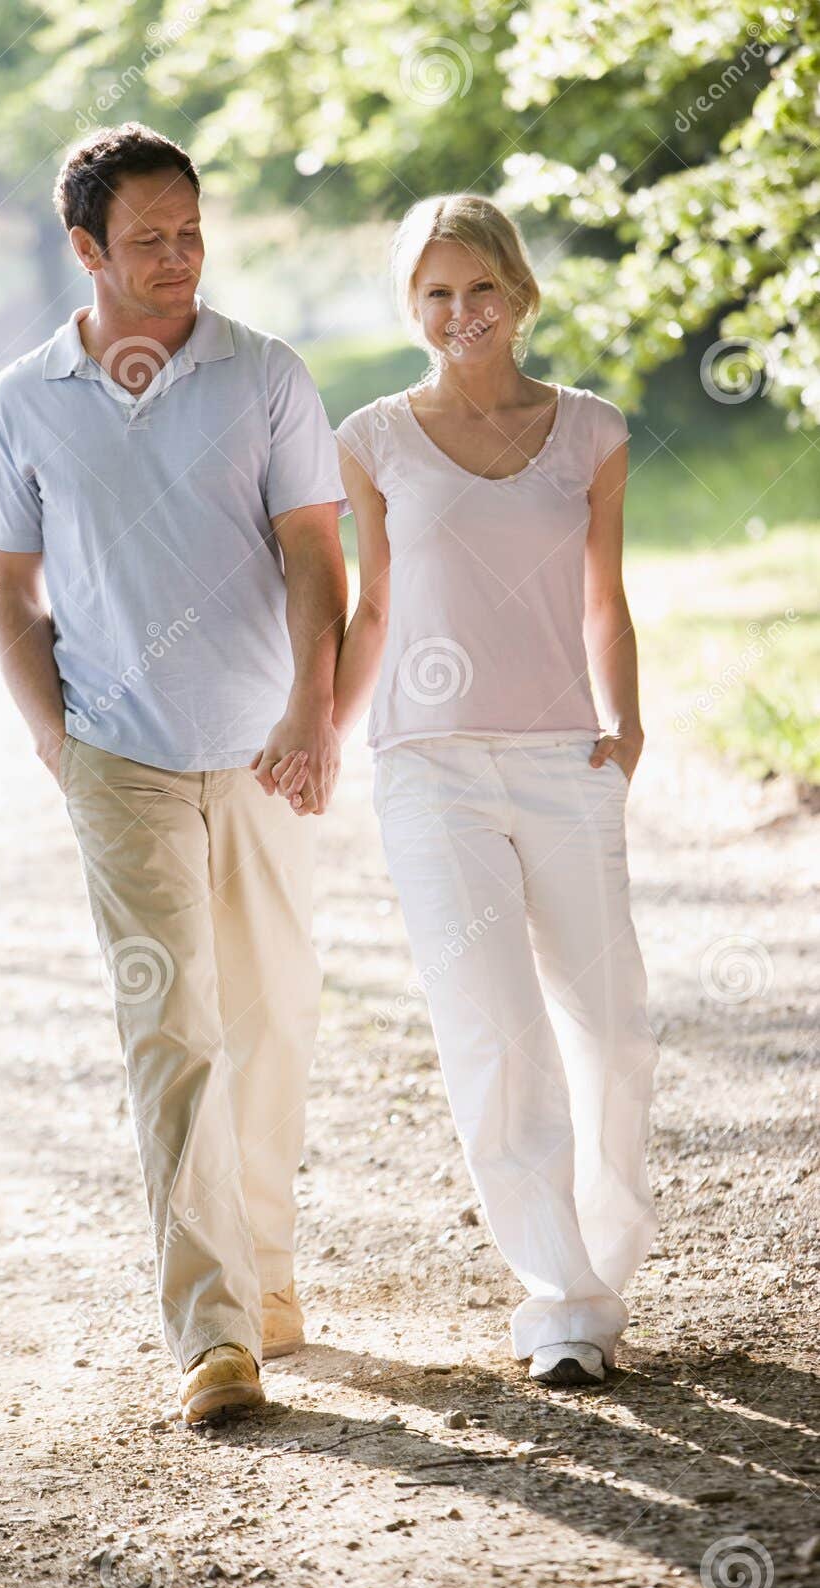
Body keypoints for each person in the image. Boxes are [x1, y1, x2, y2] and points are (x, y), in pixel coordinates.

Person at [0, 123, 348, 1424]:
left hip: (260, 754)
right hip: (118, 759)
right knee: (172, 1038)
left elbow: (312, 551)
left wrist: (312, 708)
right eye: (148, 241)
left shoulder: (263, 376)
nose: (178, 256)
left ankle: (267, 1277)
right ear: (85, 251)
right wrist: (56, 746)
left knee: (269, 1021)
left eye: (190, 232)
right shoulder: (24, 400)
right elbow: (11, 594)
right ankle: (214, 1333)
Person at [322, 192, 660, 1387]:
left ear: (516, 292)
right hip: (428, 770)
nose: (457, 313)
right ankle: (561, 1304)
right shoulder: (368, 436)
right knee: (494, 1033)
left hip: (563, 762)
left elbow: (601, 601)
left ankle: (601, 1269)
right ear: (409, 306)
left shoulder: (589, 432)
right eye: (432, 292)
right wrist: (318, 734)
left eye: (476, 288)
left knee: (612, 1031)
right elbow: (369, 609)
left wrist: (625, 726)